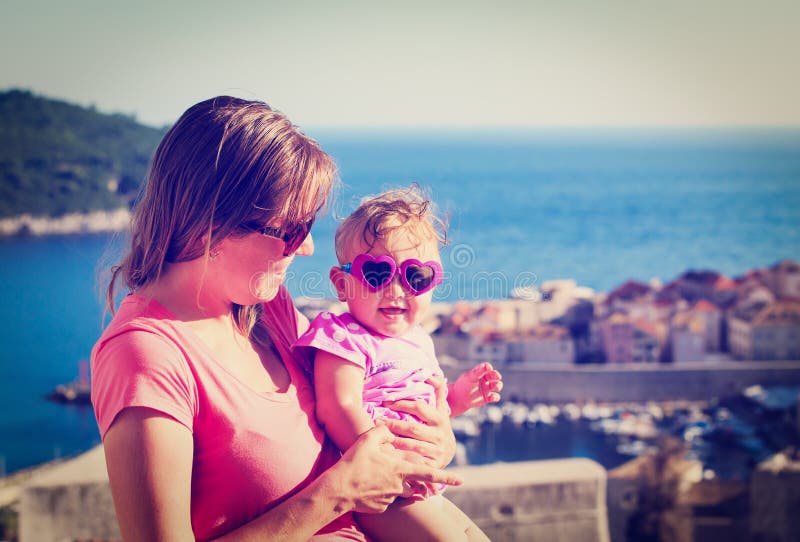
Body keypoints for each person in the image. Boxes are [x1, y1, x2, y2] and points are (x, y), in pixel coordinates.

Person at [90, 96, 463, 541]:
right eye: (291, 230)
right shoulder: (146, 355)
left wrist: (434, 439)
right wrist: (339, 492)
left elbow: (358, 401)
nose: (304, 248)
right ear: (213, 222)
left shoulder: (266, 308)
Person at [294, 186, 503, 541]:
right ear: (342, 285)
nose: (396, 289)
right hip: (380, 491)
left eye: (415, 277)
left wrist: (460, 398)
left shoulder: (418, 339)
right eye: (376, 274)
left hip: (418, 486)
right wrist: (384, 464)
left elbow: (425, 411)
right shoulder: (343, 336)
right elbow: (337, 405)